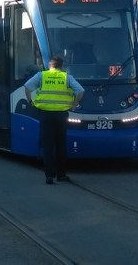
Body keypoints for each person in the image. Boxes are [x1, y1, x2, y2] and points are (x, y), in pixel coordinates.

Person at [23, 54, 84, 184]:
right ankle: (61, 175)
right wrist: (74, 104)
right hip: (61, 115)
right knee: (60, 145)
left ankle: (49, 176)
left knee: (48, 146)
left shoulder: (42, 75)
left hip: (45, 114)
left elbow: (27, 87)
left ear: (50, 65)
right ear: (62, 66)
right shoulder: (66, 77)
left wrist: (30, 101)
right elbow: (80, 91)